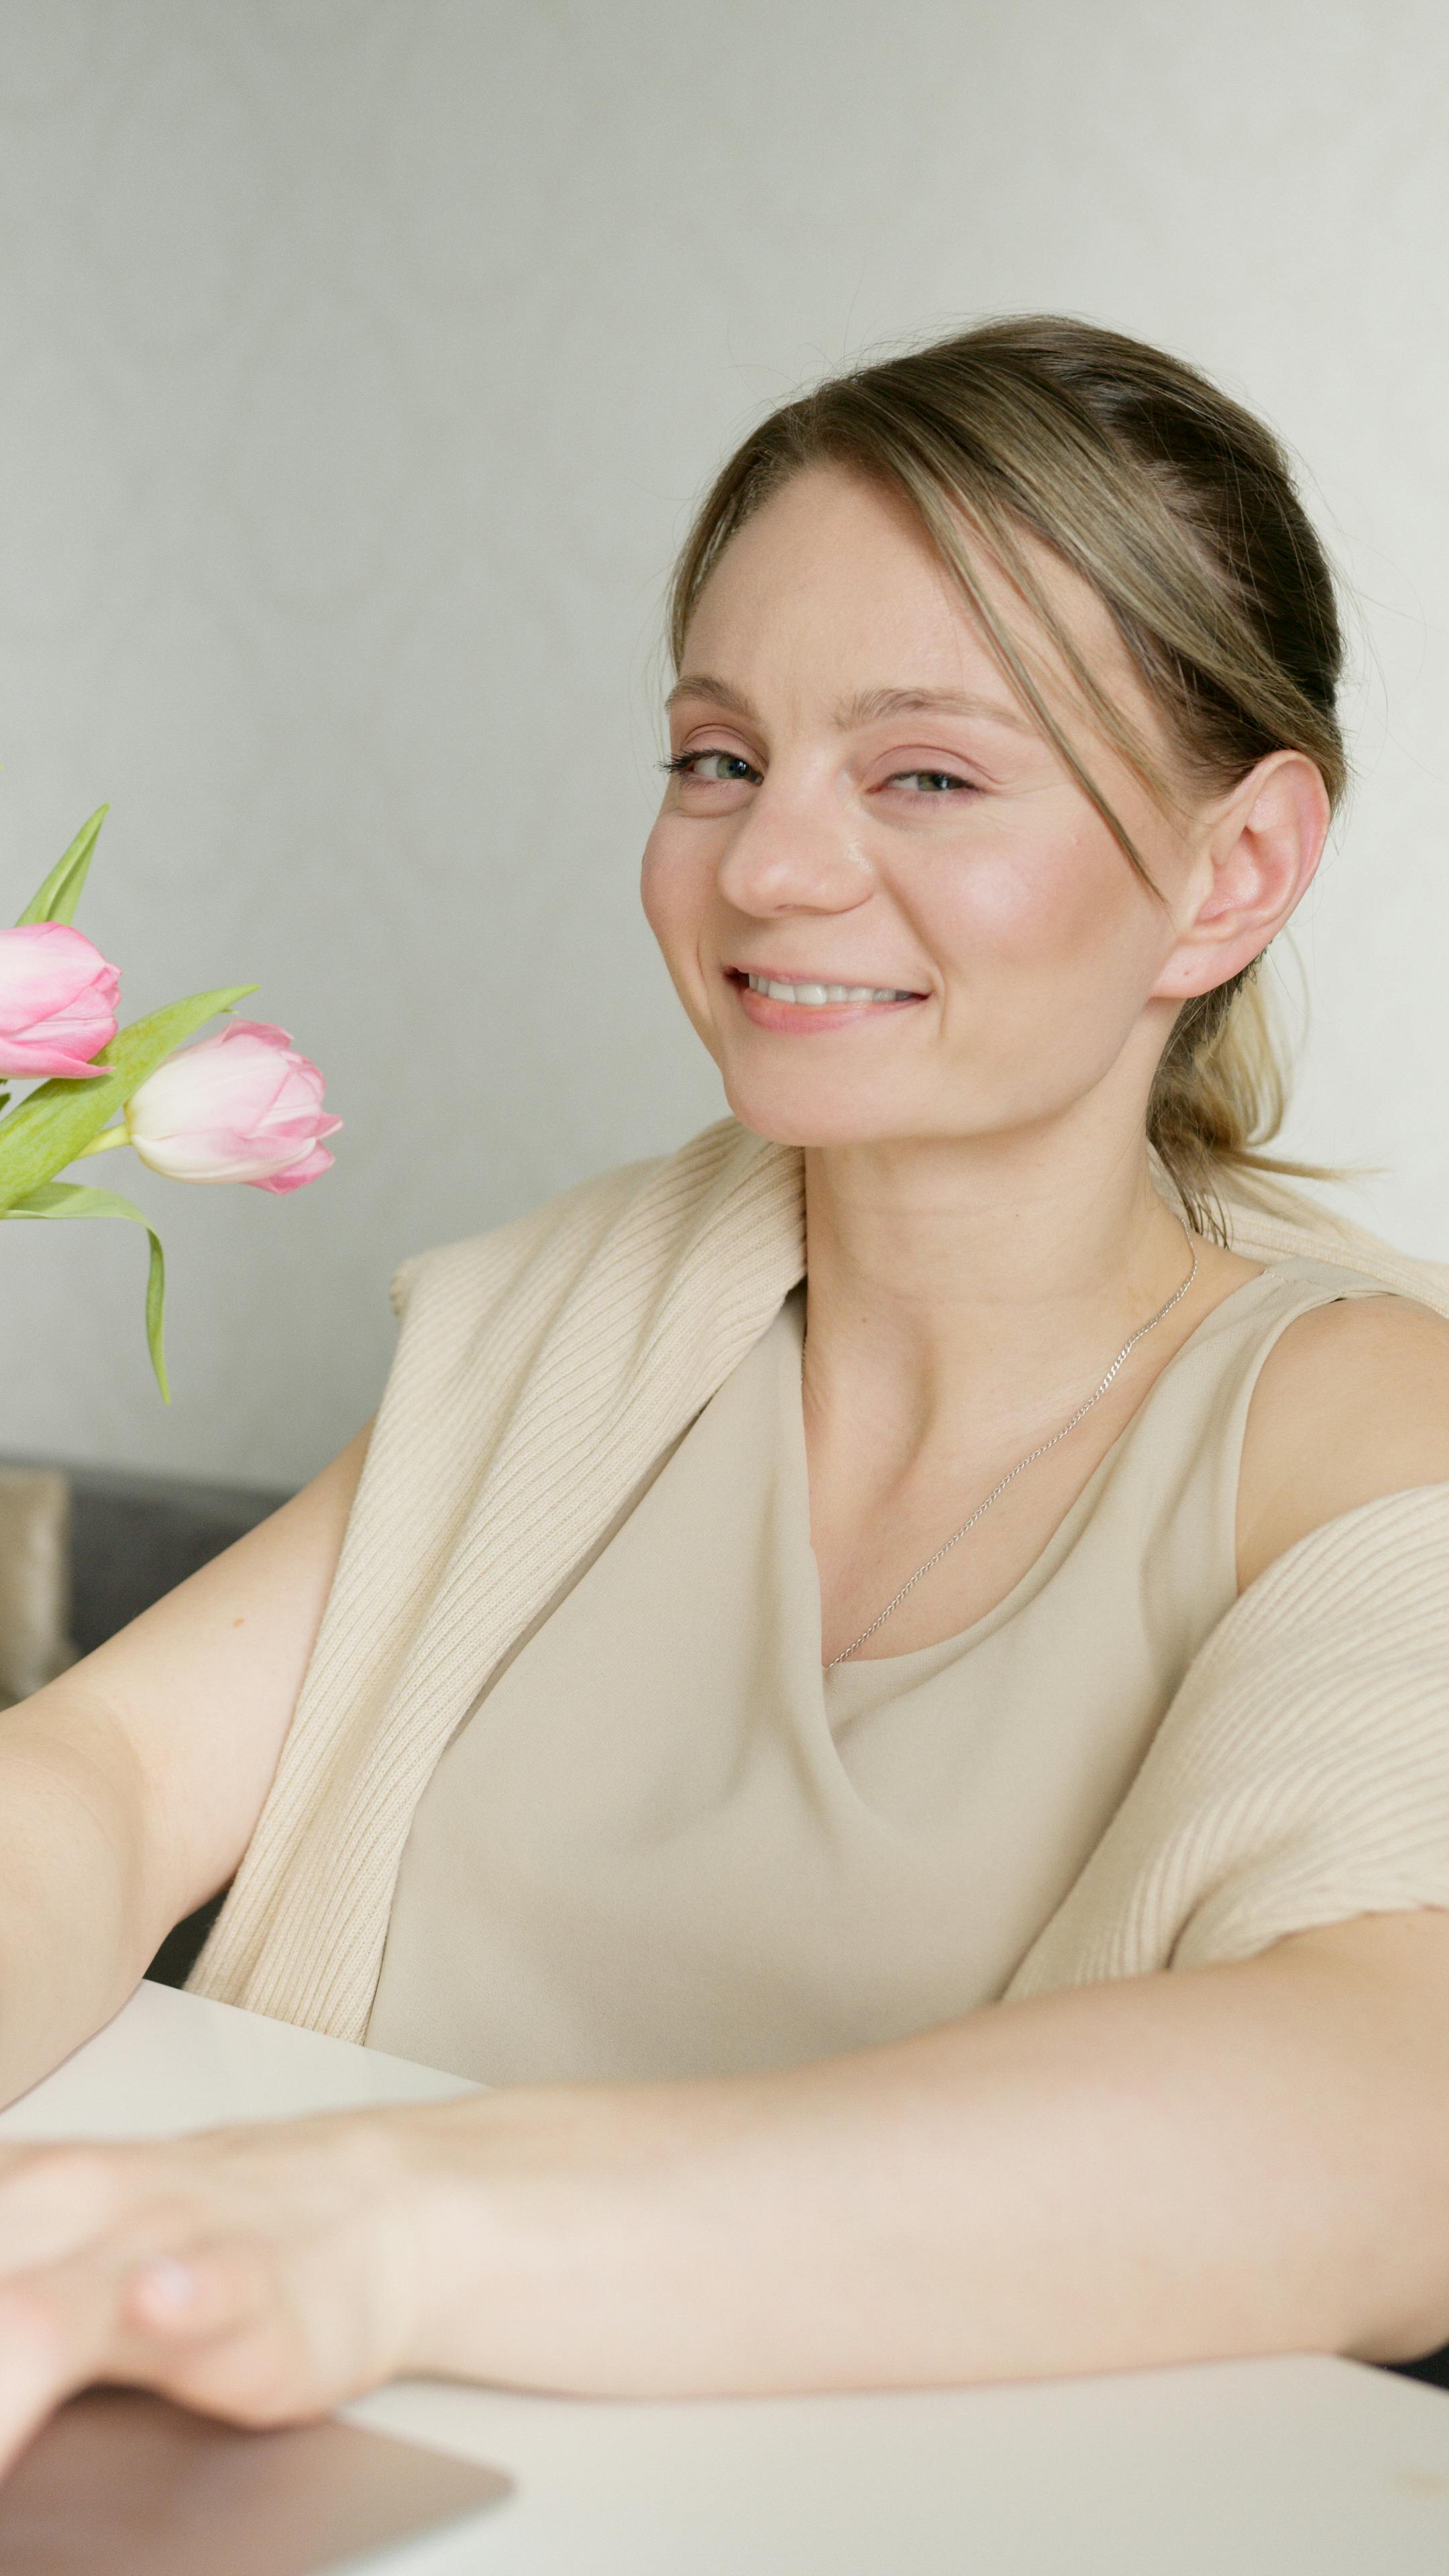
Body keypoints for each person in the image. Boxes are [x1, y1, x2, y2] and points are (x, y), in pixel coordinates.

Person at [2, 313, 1449, 2460]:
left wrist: (350, 2231)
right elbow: (107, 1783)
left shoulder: (1361, 1432)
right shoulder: (589, 1310)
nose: (767, 869)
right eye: (717, 756)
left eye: (928, 774)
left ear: (1233, 872)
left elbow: (1391, 2103)